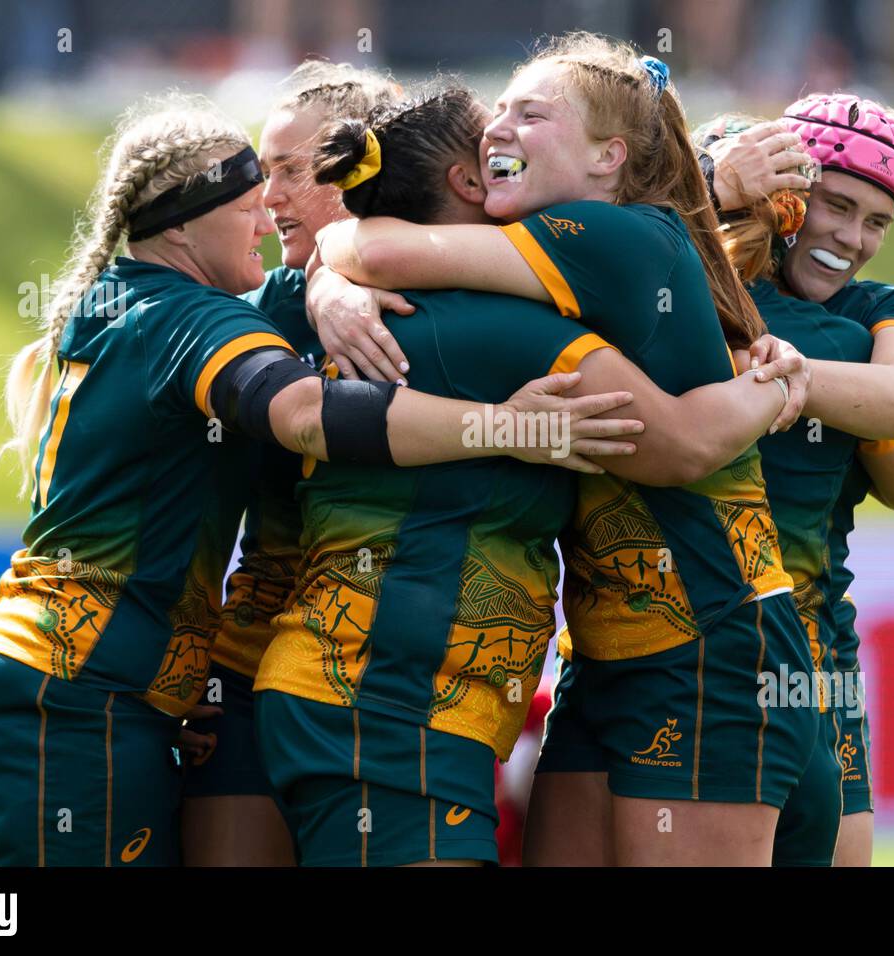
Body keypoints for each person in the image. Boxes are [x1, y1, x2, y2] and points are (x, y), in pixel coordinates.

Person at [0, 91, 643, 867]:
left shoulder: (129, 296)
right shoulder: (184, 317)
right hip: (71, 696)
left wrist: (333, 283)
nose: (265, 215)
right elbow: (308, 415)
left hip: (94, 694)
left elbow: (320, 270)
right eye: (248, 198)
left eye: (284, 179)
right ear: (179, 224)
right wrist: (512, 427)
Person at [310, 34, 818, 866]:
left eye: (530, 114)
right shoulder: (571, 246)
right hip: (605, 652)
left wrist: (330, 266)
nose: (497, 129)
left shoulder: (613, 235)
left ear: (608, 157)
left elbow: (383, 249)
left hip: (711, 641)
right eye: (499, 109)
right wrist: (329, 283)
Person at [707, 94, 894, 865]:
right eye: (836, 206)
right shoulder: (699, 287)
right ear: (785, 193)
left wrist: (801, 374)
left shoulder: (880, 315)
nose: (853, 238)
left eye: (877, 221)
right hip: (667, 647)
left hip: (816, 664)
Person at [179, 59, 402, 868]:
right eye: (259, 169)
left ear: (363, 165)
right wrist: (181, 673)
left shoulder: (464, 289)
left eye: (288, 171)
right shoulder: (264, 307)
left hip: (391, 686)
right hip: (245, 668)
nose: (265, 196)